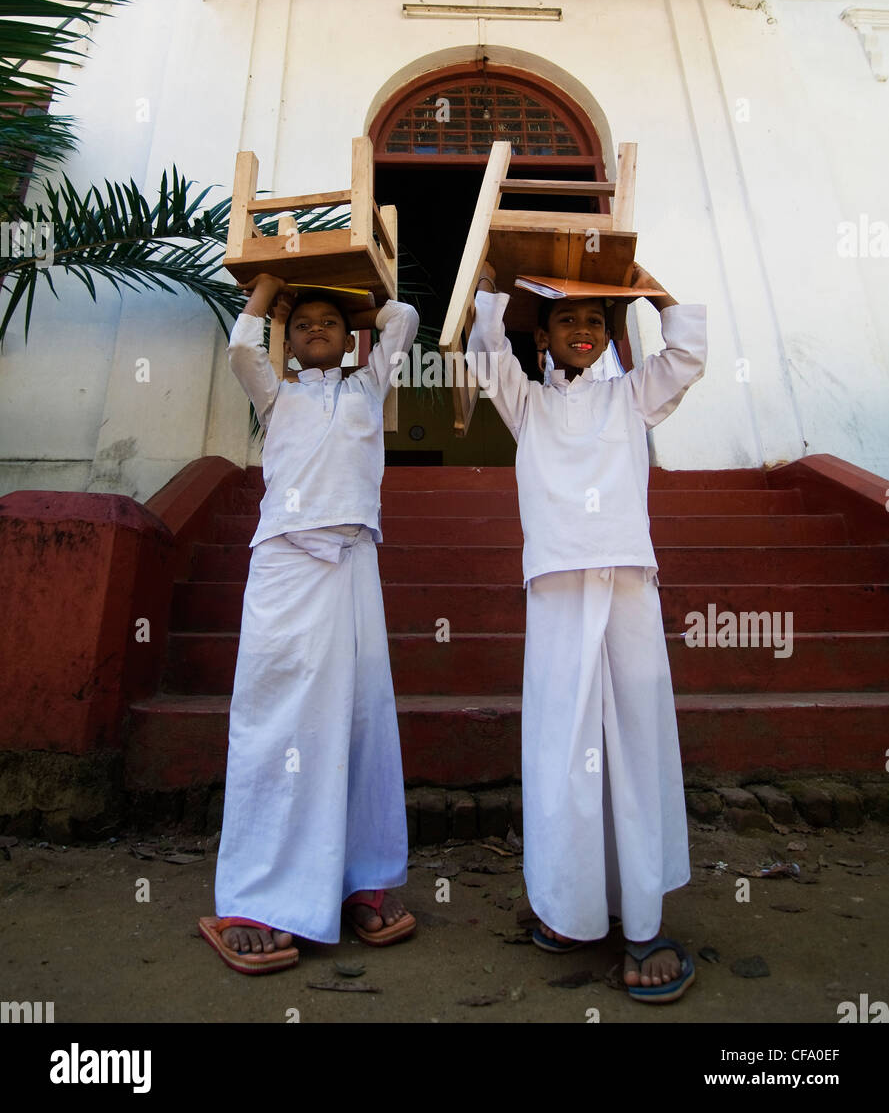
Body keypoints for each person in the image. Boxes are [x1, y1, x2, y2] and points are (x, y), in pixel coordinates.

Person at [467, 261, 706, 1003]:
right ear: (540, 339)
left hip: (628, 583)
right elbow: (484, 349)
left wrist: (655, 292)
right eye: (565, 320)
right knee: (562, 749)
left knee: (631, 746)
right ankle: (569, 910)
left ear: (609, 338)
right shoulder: (526, 403)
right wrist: (495, 276)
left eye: (595, 322)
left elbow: (686, 355)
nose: (580, 330)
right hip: (557, 587)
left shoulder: (633, 395)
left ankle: (641, 925)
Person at [199, 273, 419, 973]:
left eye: (332, 321)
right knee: (275, 720)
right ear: (287, 345)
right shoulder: (277, 394)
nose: (318, 328)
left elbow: (405, 322)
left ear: (351, 336)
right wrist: (266, 293)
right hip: (287, 562)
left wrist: (368, 288)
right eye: (304, 324)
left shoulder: (365, 387)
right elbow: (240, 350)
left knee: (361, 718)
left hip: (354, 558)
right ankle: (254, 899)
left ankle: (361, 878)